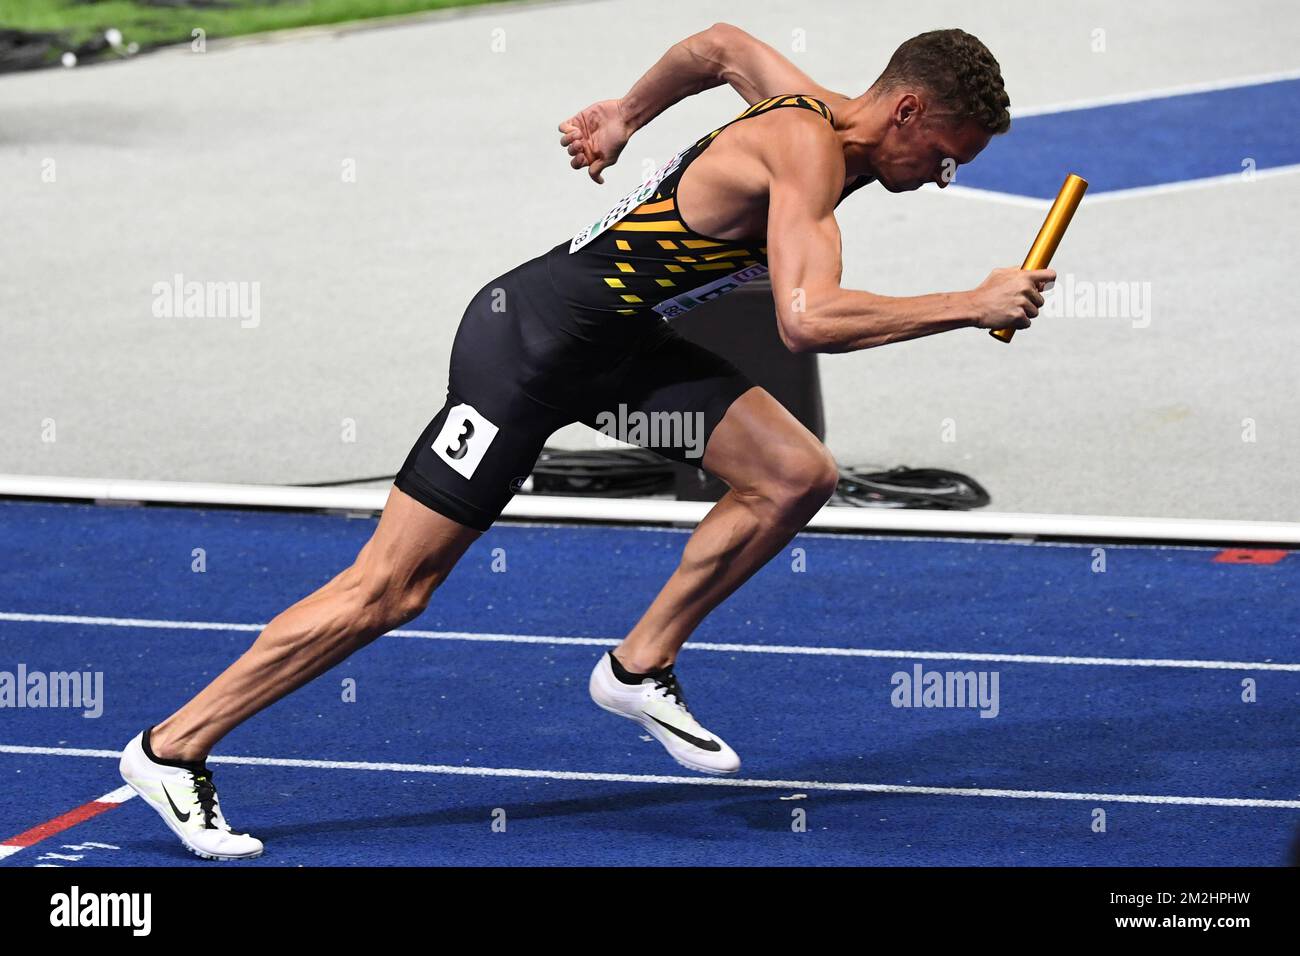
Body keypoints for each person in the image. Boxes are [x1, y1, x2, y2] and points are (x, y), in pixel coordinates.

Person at [119, 23, 1052, 860]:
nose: (940, 178)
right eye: (942, 155)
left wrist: (622, 117)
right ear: (907, 107)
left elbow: (719, 44)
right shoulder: (803, 145)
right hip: (527, 346)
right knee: (391, 589)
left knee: (794, 473)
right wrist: (969, 303)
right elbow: (807, 318)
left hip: (618, 348)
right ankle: (173, 748)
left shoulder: (807, 100)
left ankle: (637, 666)